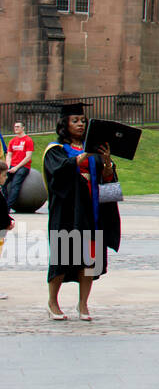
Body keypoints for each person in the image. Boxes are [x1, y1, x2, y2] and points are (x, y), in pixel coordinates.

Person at [44, 103, 121, 323]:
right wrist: (81, 157)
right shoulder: (55, 149)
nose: (80, 124)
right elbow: (56, 175)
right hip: (67, 212)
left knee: (89, 258)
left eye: (83, 121)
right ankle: (52, 302)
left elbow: (110, 184)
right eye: (75, 120)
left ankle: (83, 303)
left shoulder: (96, 150)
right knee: (62, 256)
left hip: (93, 211)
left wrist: (107, 164)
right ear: (64, 123)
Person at [5, 121, 34, 210]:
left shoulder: (28, 140)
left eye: (18, 127)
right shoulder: (12, 141)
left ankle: (7, 208)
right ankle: (4, 203)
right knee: (2, 183)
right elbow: (9, 155)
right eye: (15, 127)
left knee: (15, 185)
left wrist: (17, 167)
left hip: (23, 167)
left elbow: (28, 157)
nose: (16, 128)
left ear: (23, 128)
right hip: (12, 166)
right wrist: (8, 167)